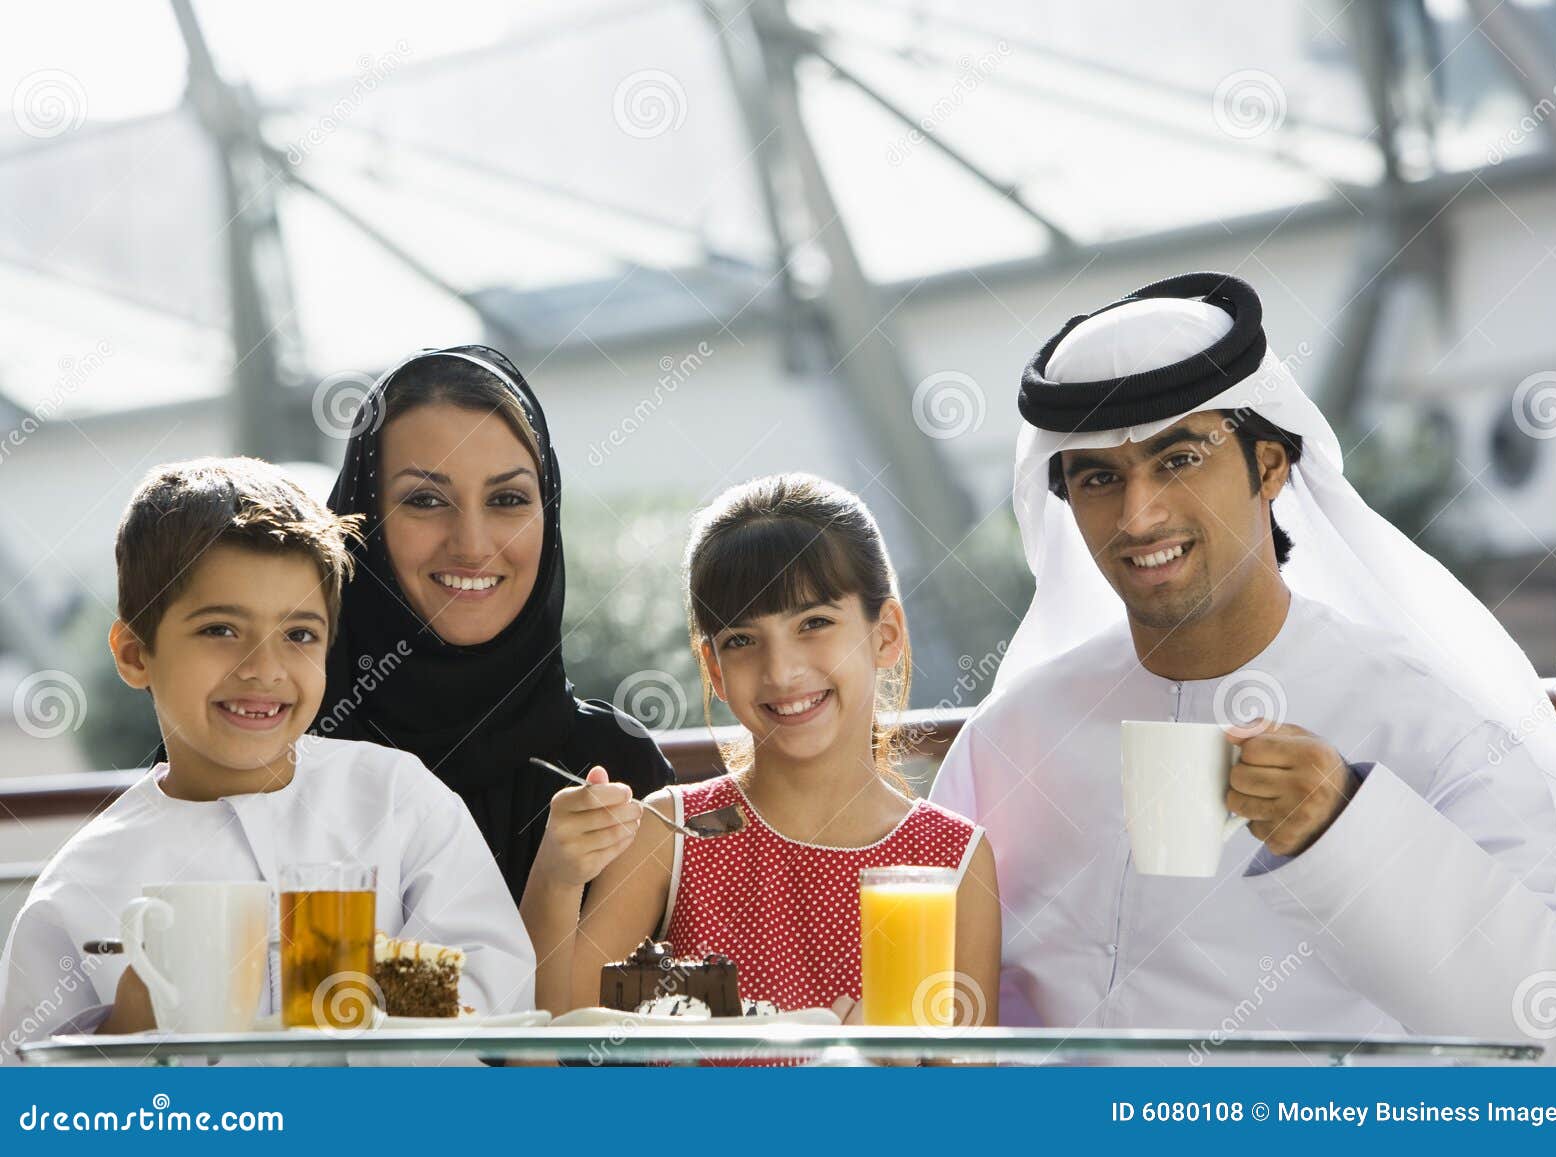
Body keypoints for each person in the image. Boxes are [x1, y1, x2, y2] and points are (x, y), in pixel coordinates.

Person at [930, 272, 1556, 1062]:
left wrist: (1345, 824)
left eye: (1178, 458)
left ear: (1271, 464)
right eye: (1099, 477)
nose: (1140, 515)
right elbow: (930, 1021)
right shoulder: (1004, 741)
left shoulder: (1426, 720)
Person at [0, 458, 535, 1062]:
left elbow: (499, 988)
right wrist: (120, 1032)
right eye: (221, 630)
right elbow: (33, 1104)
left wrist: (374, 989)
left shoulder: (398, 797)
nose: (264, 668)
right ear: (134, 654)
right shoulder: (78, 889)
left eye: (299, 634)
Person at [523, 474, 999, 1022]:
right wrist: (556, 879)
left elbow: (967, 1094)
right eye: (742, 641)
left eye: (814, 623)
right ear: (715, 671)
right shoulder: (668, 835)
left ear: (885, 633)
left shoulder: (952, 861)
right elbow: (552, 1045)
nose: (781, 671)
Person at [320, 346, 672, 898]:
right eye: (425, 500)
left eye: (507, 498)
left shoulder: (616, 767)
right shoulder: (269, 748)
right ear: (361, 519)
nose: (472, 545)